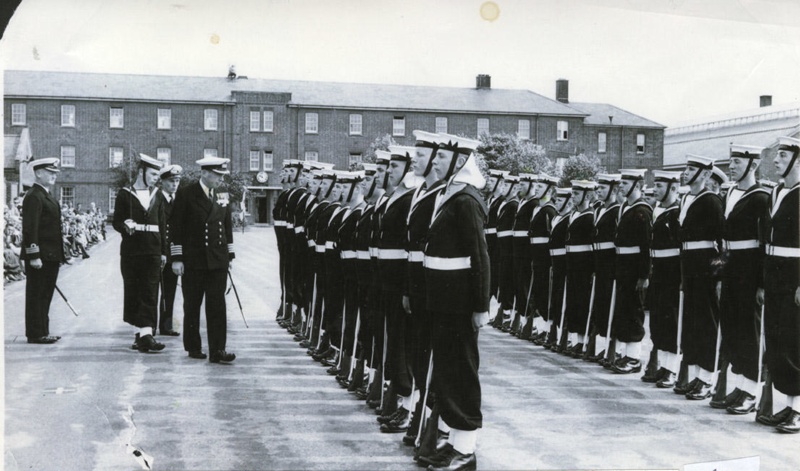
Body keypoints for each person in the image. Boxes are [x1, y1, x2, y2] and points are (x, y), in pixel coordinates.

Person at [419, 133, 488, 471]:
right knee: (447, 374)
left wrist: (480, 306)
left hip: (459, 304)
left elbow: (480, 256)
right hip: (444, 302)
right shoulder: (450, 195)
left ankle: (466, 450)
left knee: (461, 374)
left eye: (442, 158)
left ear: (460, 162)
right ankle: (454, 443)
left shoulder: (467, 200)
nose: (435, 162)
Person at [711, 145, 770, 414]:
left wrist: (761, 283)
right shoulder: (731, 194)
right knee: (732, 328)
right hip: (731, 268)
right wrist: (720, 274)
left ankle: (751, 390)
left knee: (749, 330)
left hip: (750, 270)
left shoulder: (761, 198)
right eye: (731, 161)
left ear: (752, 166)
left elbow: (764, 245)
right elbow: (723, 243)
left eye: (737, 162)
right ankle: (741, 386)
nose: (731, 167)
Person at [171, 156, 236, 363]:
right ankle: (193, 346)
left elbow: (227, 226)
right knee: (192, 305)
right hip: (194, 260)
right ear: (205, 173)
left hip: (217, 259)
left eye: (222, 175)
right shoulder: (186, 193)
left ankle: (218, 350)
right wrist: (177, 258)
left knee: (217, 306)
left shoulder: (223, 193)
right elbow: (176, 227)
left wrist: (229, 254)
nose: (220, 179)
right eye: (217, 175)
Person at [759, 136, 800, 433]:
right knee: (777, 342)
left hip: (794, 277)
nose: (776, 160)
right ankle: (788, 405)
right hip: (774, 276)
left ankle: (798, 409)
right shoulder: (776, 192)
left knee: (795, 342)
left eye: (783, 156)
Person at [676, 155, 724, 400]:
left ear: (705, 174)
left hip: (705, 268)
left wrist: (717, 275)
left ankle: (706, 378)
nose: (686, 172)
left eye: (691, 169)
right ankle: (695, 376)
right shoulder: (687, 199)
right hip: (689, 266)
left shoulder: (712, 201)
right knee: (692, 323)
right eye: (686, 168)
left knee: (706, 323)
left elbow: (722, 243)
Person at [113, 154, 167, 353]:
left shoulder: (158, 195)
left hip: (153, 250)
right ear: (141, 172)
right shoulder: (124, 194)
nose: (155, 179)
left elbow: (162, 225)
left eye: (157, 175)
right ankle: (140, 334)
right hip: (132, 251)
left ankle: (146, 334)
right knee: (134, 291)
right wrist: (124, 225)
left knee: (150, 291)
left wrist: (164, 252)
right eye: (152, 174)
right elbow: (116, 221)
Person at [610, 169, 652, 374]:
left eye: (626, 183)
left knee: (633, 311)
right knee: (623, 310)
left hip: (634, 267)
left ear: (637, 185)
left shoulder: (642, 210)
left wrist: (644, 275)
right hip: (623, 266)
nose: (621, 186)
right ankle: (626, 354)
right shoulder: (626, 207)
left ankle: (634, 358)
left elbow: (646, 245)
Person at [21, 158, 65, 344]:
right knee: (37, 294)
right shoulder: (34, 196)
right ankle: (36, 333)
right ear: (38, 173)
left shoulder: (46, 195)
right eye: (50, 172)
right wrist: (34, 255)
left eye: (55, 173)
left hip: (50, 255)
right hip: (41, 256)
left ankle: (43, 331)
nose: (54, 176)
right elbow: (30, 228)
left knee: (45, 295)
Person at [647, 170, 683, 388]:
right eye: (656, 185)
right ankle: (663, 365)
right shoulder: (657, 210)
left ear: (673, 188)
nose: (655, 189)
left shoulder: (678, 213)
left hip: (672, 271)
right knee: (658, 320)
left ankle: (672, 368)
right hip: (658, 270)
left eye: (660, 186)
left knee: (671, 320)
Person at [156, 164, 183, 336]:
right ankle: (148, 328)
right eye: (171, 181)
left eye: (177, 181)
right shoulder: (155, 198)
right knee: (152, 292)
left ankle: (166, 326)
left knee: (169, 291)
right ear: (163, 182)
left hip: (173, 253)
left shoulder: (179, 200)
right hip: (157, 252)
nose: (174, 184)